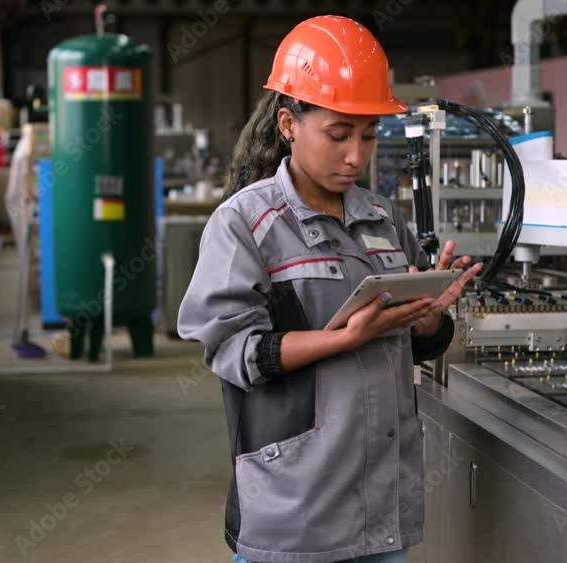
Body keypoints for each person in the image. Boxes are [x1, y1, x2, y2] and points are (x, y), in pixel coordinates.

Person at [177, 15, 482, 563]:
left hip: (382, 510)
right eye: (339, 135)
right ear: (290, 124)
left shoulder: (383, 220)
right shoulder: (246, 224)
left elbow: (416, 342)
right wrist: (343, 338)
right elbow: (233, 351)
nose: (356, 156)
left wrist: (429, 317)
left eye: (369, 136)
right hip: (295, 512)